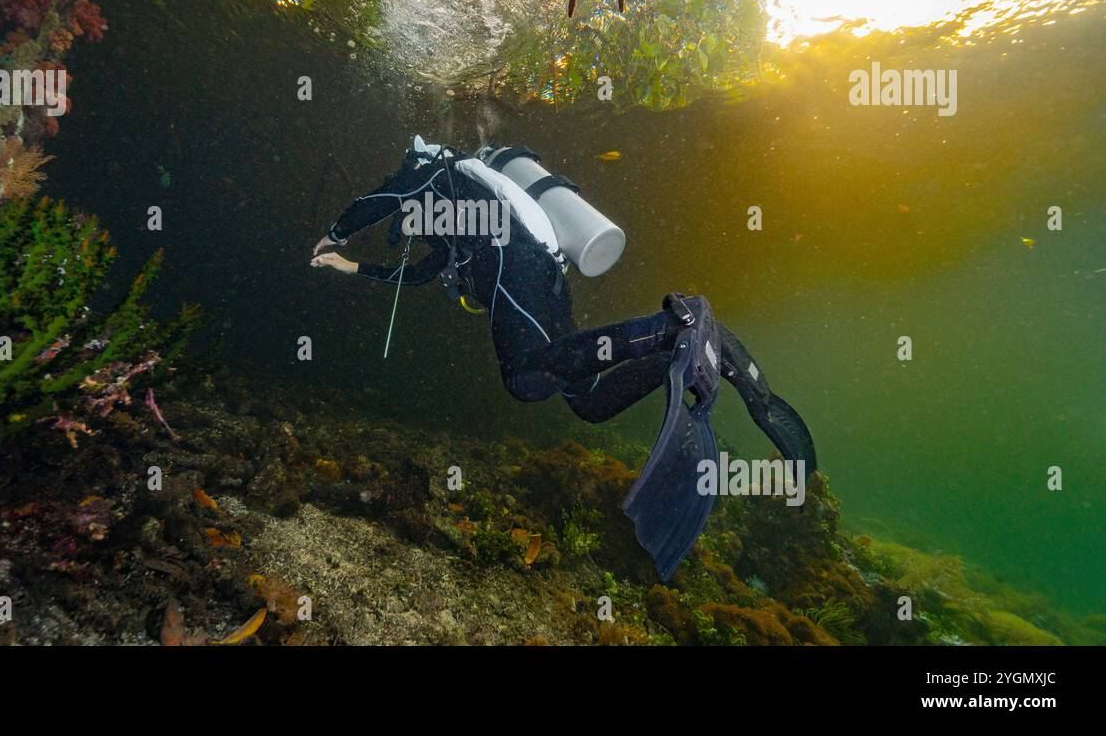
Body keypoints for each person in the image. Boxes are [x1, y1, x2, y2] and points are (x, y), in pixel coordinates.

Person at [311, 137, 815, 579]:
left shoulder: (432, 175)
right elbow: (421, 275)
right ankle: (678, 350)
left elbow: (383, 197)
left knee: (526, 378)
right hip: (541, 270)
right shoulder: (460, 206)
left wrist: (335, 231)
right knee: (590, 402)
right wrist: (349, 266)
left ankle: (671, 325)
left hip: (518, 263)